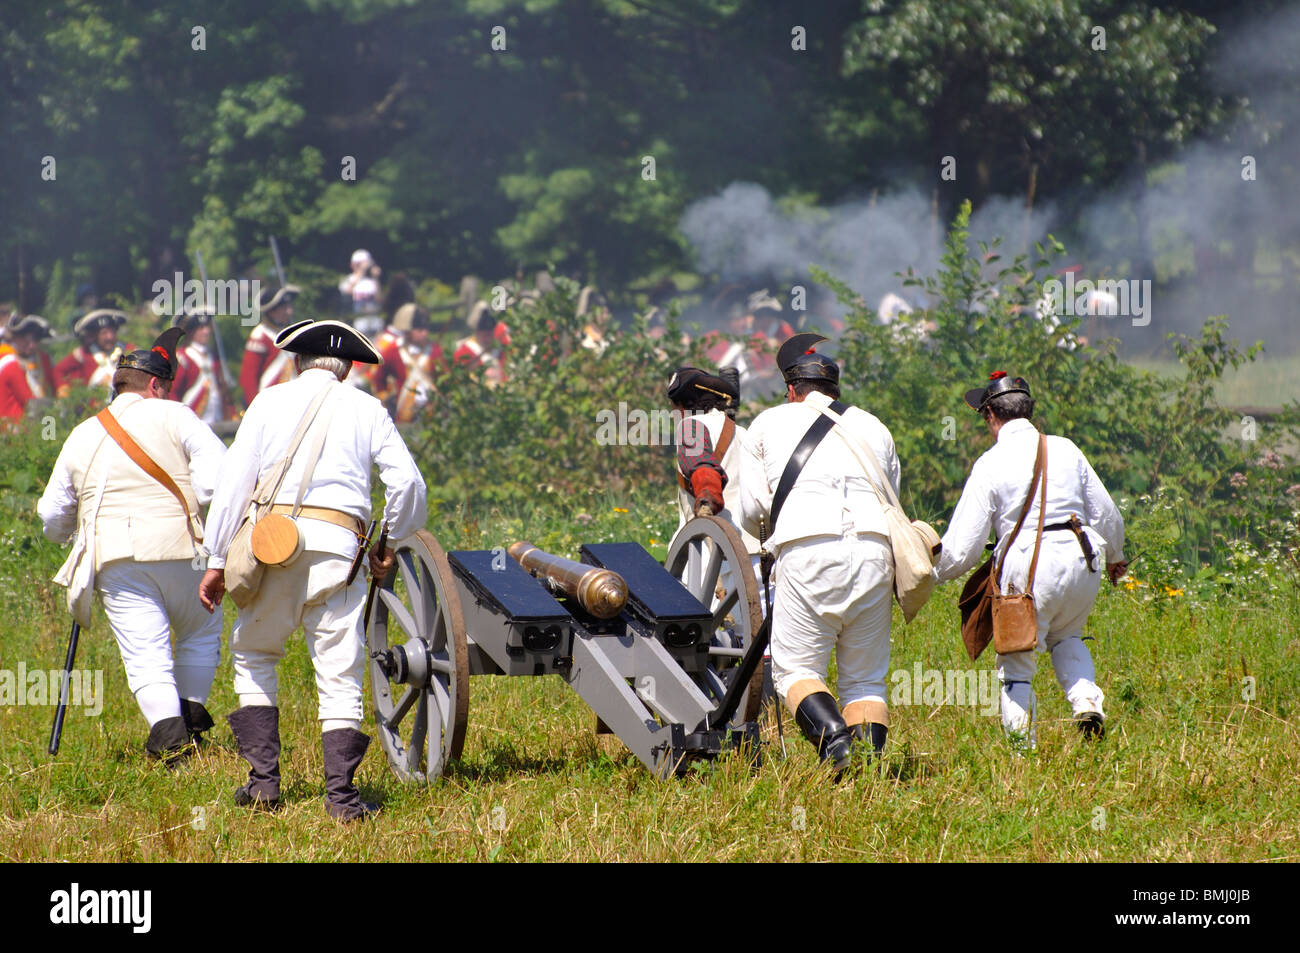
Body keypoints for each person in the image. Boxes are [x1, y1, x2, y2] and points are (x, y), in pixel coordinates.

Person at [199, 319, 427, 822]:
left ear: (296, 361)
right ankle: (342, 799)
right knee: (340, 670)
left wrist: (216, 560)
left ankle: (264, 785)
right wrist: (386, 541)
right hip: (339, 550)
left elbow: (233, 483)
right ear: (346, 369)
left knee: (256, 654)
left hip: (271, 544)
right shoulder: (368, 408)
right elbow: (408, 485)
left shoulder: (268, 402)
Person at [37, 328, 227, 763]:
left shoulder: (82, 433)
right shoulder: (178, 415)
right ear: (157, 385)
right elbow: (217, 483)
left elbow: (51, 517)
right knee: (199, 634)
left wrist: (77, 529)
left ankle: (172, 743)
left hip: (116, 559)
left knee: (147, 653)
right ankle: (191, 727)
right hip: (184, 550)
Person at [934, 372, 1126, 743]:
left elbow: (963, 549)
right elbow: (1107, 515)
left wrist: (925, 575)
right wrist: (1116, 556)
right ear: (1028, 409)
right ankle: (1087, 700)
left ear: (991, 415)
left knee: (1016, 667)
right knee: (1068, 636)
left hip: (1030, 567)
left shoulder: (990, 464)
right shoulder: (1067, 448)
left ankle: (1024, 755)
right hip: (1083, 561)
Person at [739, 333, 900, 773]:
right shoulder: (875, 426)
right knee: (865, 681)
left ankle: (837, 748)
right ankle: (869, 771)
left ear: (792, 390)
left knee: (794, 671)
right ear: (835, 391)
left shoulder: (768, 423)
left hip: (807, 551)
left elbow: (752, 508)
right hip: (875, 552)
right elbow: (892, 498)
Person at [239, 283, 300, 404]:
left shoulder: (291, 334)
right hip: (269, 403)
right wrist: (255, 407)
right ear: (271, 311)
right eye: (284, 308)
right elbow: (248, 379)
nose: (289, 311)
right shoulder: (260, 336)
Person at [170, 307, 230, 425]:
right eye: (201, 328)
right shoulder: (182, 357)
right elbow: (173, 392)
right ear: (191, 332)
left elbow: (223, 391)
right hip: (191, 421)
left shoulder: (212, 356)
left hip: (216, 420)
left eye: (207, 327)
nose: (206, 331)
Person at [54, 309, 130, 397]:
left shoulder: (128, 349)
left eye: (112, 332)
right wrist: (65, 391)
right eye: (104, 333)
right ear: (95, 335)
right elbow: (59, 370)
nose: (109, 337)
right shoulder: (83, 353)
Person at [7, 314, 57, 401]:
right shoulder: (5, 359)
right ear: (14, 338)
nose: (32, 345)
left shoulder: (45, 360)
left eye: (35, 340)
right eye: (26, 340)